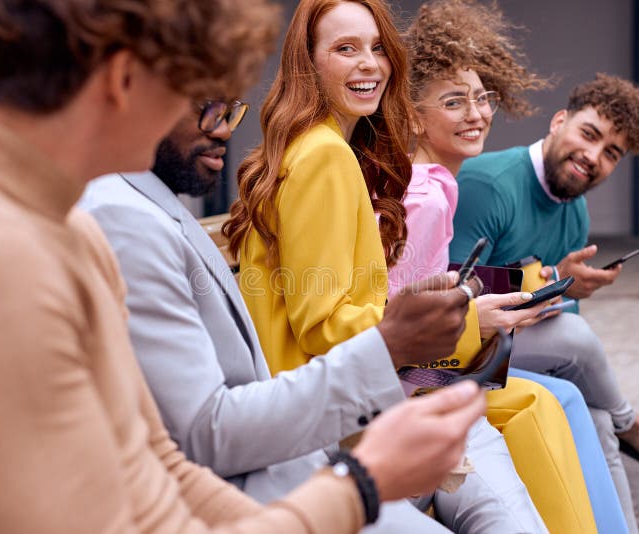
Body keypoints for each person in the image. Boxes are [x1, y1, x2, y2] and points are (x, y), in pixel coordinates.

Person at [0, 1, 487, 532]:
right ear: (124, 78)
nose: (222, 126)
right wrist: (360, 487)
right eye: (200, 95)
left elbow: (160, 465)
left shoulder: (63, 219)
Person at [226, 1, 593, 532]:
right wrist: (462, 320)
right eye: (345, 49)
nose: (370, 64)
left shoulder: (323, 149)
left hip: (333, 405)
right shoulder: (327, 156)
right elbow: (323, 325)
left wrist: (444, 307)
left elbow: (335, 305)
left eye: (377, 48)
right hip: (328, 423)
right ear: (309, 64)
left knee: (546, 404)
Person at [81, 95, 490, 531]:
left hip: (285, 459)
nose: (223, 128)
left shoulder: (147, 201)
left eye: (230, 109)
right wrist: (355, 484)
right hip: (269, 479)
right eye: (207, 105)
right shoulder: (124, 216)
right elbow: (205, 435)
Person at [395, 2, 630, 532]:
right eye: (456, 102)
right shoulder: (435, 193)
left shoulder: (445, 186)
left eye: (482, 98)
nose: (477, 114)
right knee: (573, 353)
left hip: (442, 383)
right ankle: (633, 426)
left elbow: (442, 296)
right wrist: (509, 306)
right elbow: (404, 330)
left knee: (582, 401)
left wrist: (544, 283)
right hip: (422, 395)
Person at [450, 73, 639, 524]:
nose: (593, 156)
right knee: (574, 336)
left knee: (596, 420)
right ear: (559, 122)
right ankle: (635, 425)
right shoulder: (489, 185)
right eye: (588, 134)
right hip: (451, 356)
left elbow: (551, 327)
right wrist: (551, 277)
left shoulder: (576, 211)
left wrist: (563, 289)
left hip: (511, 346)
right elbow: (452, 293)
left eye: (612, 153)